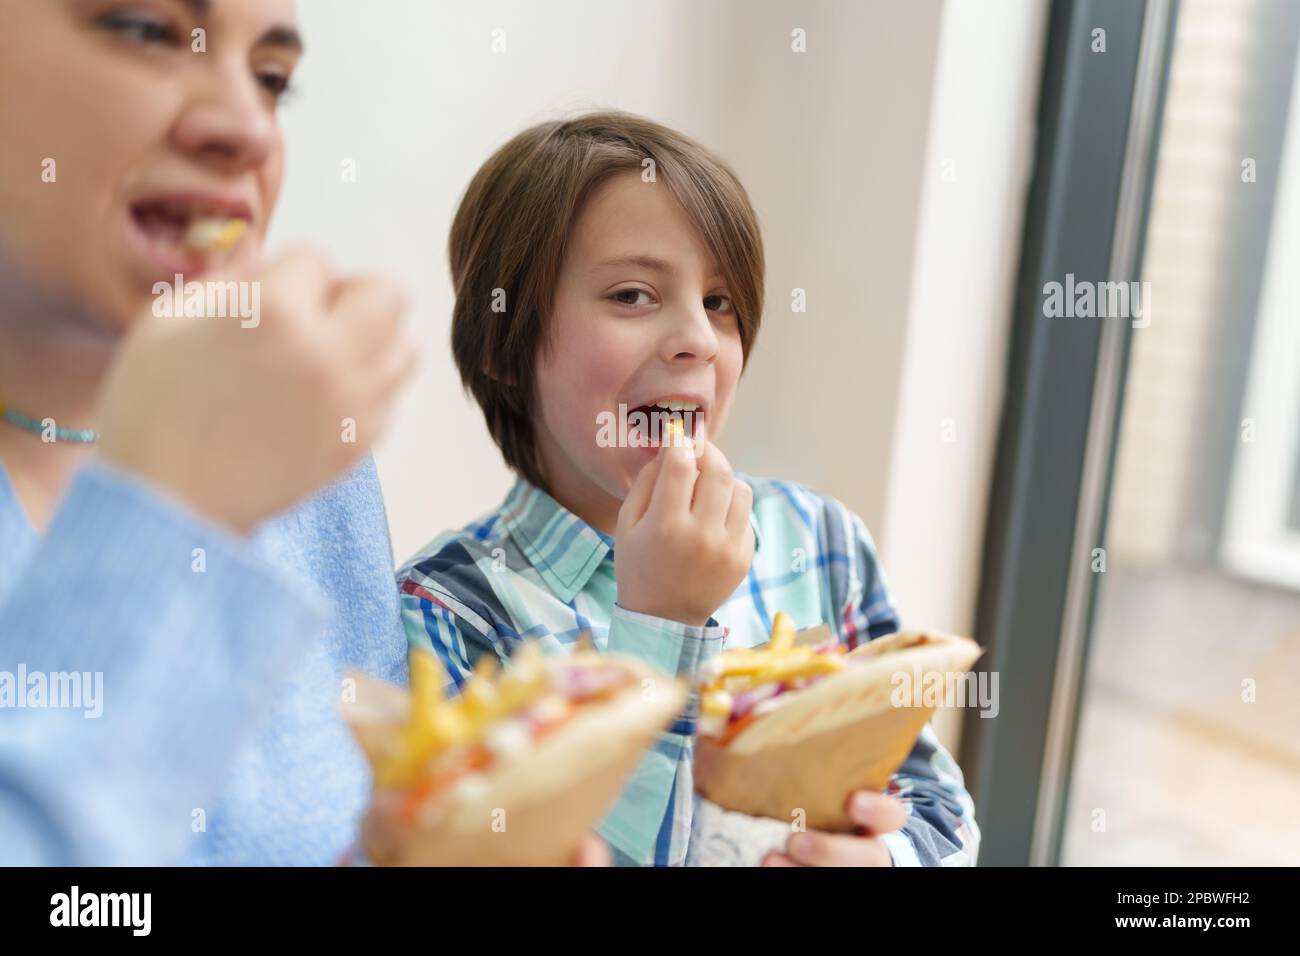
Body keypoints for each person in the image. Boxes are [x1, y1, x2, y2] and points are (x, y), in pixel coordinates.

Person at [398, 111, 980, 867]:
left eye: (720, 303)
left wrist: (892, 858)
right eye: (634, 295)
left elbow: (939, 808)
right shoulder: (448, 615)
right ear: (504, 350)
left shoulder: (822, 543)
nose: (698, 340)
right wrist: (663, 625)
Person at [0, 0, 416, 865]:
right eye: (146, 30)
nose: (246, 130)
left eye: (271, 80)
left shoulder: (308, 456)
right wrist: (170, 515)